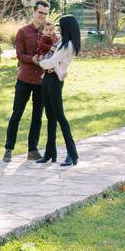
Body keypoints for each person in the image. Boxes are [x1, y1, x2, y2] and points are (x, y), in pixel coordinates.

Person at [3, 0, 50, 163]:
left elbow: (56, 50)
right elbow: (20, 55)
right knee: (17, 114)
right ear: (34, 12)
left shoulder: (49, 32)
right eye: (40, 12)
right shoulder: (23, 32)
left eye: (45, 13)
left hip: (41, 81)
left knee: (37, 116)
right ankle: (8, 149)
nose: (42, 16)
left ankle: (32, 150)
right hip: (24, 79)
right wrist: (33, 59)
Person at [37, 14, 81, 167]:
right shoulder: (62, 41)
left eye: (60, 26)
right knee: (50, 117)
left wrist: (40, 63)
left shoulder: (69, 44)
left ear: (66, 27)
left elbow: (52, 62)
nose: (58, 29)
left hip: (55, 81)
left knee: (60, 117)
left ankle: (72, 154)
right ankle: (50, 153)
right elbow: (52, 59)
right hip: (47, 79)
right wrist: (46, 64)